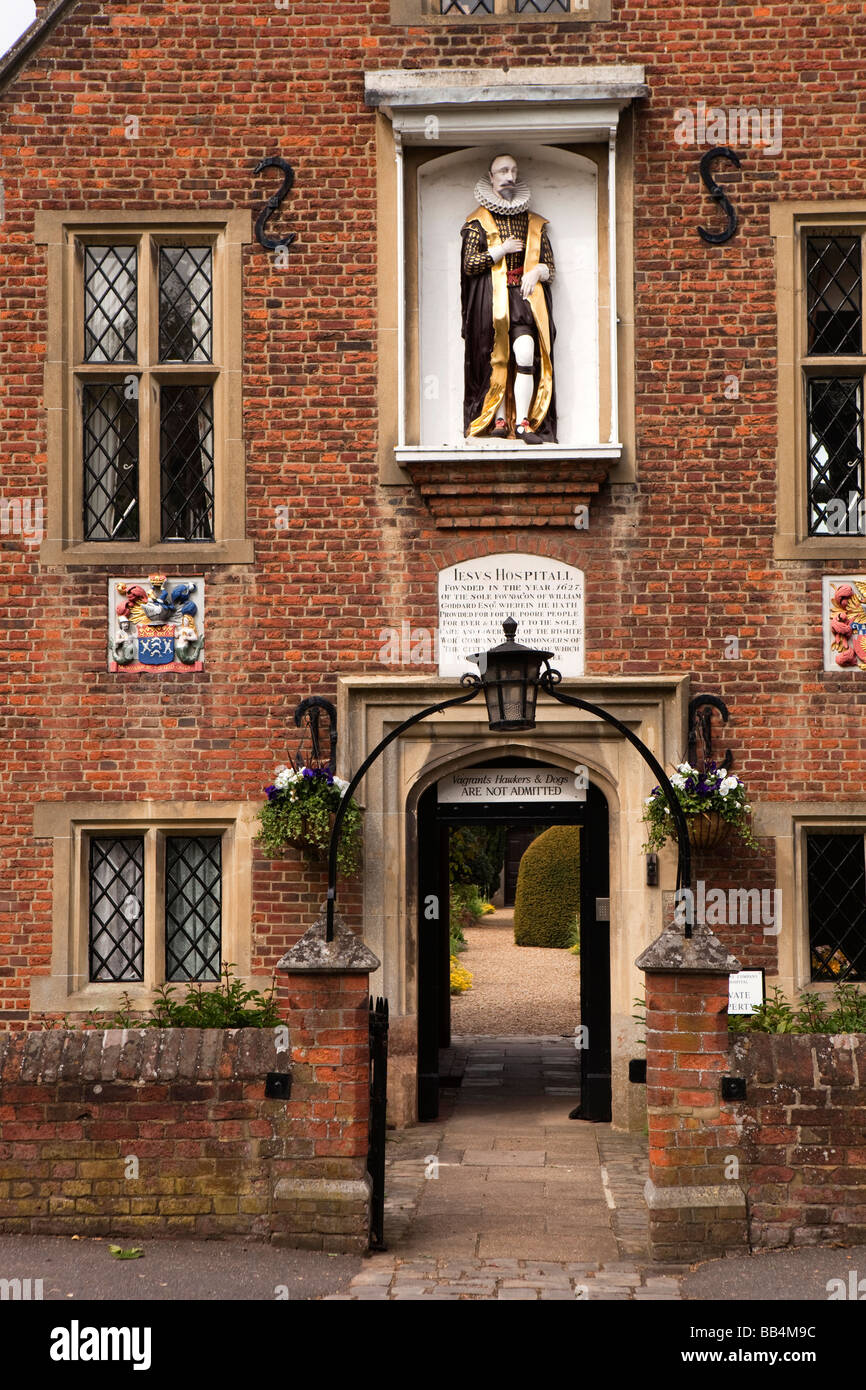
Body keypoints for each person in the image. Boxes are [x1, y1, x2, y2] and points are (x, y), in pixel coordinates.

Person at [460, 153, 557, 444]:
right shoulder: (478, 222)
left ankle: (525, 422)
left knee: (526, 353)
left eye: (513, 170)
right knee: (497, 358)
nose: (510, 176)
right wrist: (499, 251)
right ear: (491, 177)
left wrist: (538, 271)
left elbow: (550, 265)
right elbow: (470, 264)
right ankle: (499, 417)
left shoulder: (532, 223)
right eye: (503, 171)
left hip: (523, 299)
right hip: (491, 303)